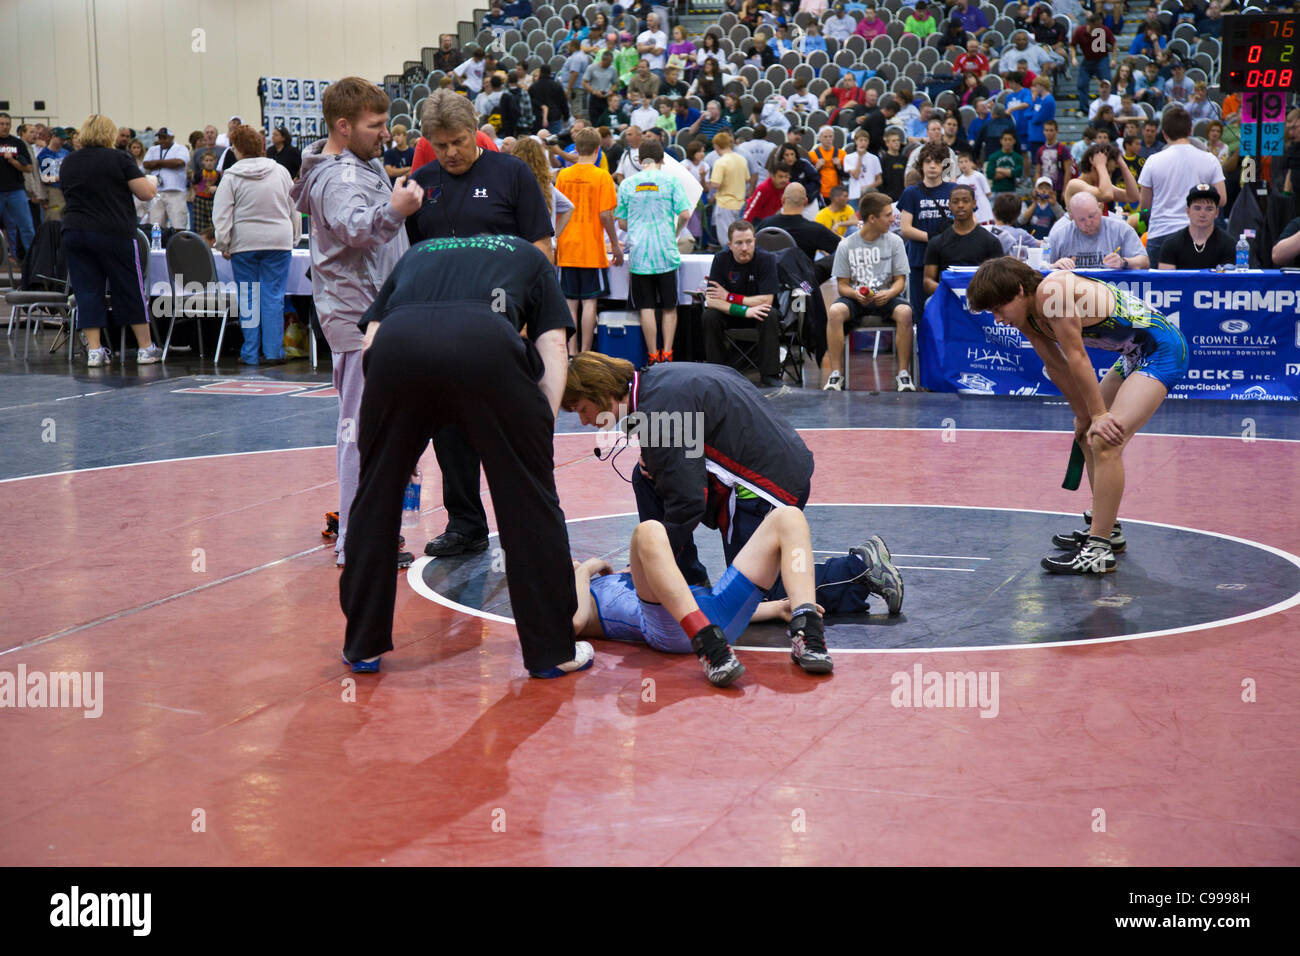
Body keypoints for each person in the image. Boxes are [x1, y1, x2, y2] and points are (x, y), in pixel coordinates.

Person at [343, 234, 590, 677]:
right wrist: (538, 435)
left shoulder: (420, 251)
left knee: (375, 495)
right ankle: (553, 651)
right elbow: (553, 344)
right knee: (528, 500)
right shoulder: (530, 255)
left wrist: (391, 434)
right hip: (485, 346)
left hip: (397, 349)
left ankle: (362, 644)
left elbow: (371, 339)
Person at [563, 351, 890, 617]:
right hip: (777, 464)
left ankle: (860, 568)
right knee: (645, 476)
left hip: (767, 486)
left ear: (603, 393)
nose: (584, 421)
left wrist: (652, 561)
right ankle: (687, 577)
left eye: (583, 409)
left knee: (751, 599)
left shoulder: (658, 412)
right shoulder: (656, 382)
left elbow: (690, 501)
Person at [403, 91, 554, 559]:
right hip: (442, 332)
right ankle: (466, 523)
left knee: (512, 433)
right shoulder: (420, 184)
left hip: (505, 328)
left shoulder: (512, 173)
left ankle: (529, 522)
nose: (451, 152)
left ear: (477, 133)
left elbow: (541, 247)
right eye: (441, 143)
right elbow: (414, 258)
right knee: (450, 435)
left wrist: (528, 320)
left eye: (460, 141)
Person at [967, 257, 1188, 575]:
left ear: (1018, 290)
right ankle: (1108, 529)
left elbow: (1076, 356)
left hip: (1162, 351)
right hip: (1132, 354)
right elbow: (1057, 367)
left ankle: (1099, 550)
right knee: (1088, 433)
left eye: (999, 309)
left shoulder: (1052, 292)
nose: (998, 319)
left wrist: (1098, 413)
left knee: (1105, 439)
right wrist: (1084, 415)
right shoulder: (1028, 317)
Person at [291, 77, 418, 569]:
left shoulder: (357, 167)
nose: (386, 132)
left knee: (376, 430)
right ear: (343, 126)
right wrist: (397, 209)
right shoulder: (341, 178)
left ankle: (371, 532)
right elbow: (356, 229)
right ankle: (359, 540)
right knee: (360, 432)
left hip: (373, 316)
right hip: (361, 320)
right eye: (376, 124)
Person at [572, 507, 882, 684]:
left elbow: (684, 596)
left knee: (788, 517)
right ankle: (706, 644)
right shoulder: (574, 591)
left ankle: (807, 628)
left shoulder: (597, 581)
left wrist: (774, 609)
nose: (570, 560)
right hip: (668, 629)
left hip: (717, 618)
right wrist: (584, 569)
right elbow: (573, 623)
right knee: (648, 530)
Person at [56, 114, 162, 367]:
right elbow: (146, 193)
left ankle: (95, 351)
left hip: (75, 231)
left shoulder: (69, 161)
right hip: (112, 232)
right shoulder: (119, 158)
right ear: (109, 134)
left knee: (87, 291)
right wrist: (152, 182)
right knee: (129, 287)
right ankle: (146, 348)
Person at [212, 124, 301, 367]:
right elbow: (294, 206)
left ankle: (250, 354)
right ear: (261, 147)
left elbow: (221, 214)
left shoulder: (230, 176)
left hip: (245, 243)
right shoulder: (280, 171)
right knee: (274, 296)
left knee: (249, 297)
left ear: (237, 149)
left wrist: (223, 243)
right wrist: (294, 237)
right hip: (278, 241)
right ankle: (274, 353)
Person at [824, 190, 913, 392]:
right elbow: (842, 285)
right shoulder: (846, 245)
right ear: (872, 218)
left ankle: (903, 374)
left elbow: (900, 281)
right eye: (888, 215)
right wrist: (855, 294)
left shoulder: (895, 242)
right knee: (835, 312)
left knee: (905, 312)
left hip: (886, 296)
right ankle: (836, 374)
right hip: (856, 299)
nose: (893, 219)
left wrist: (889, 294)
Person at [616, 138, 691, 365]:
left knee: (646, 307)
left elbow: (621, 223)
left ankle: (652, 355)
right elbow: (686, 214)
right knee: (669, 306)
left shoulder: (628, 184)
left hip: (640, 254)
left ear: (639, 160)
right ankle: (667, 353)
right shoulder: (671, 181)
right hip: (665, 251)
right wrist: (674, 231)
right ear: (662, 159)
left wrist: (638, 226)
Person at [555, 126, 623, 354]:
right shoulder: (602, 176)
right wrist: (614, 244)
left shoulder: (563, 175)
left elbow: (556, 209)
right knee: (589, 303)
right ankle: (585, 351)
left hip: (567, 246)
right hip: (591, 247)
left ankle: (570, 350)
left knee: (570, 303)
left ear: (576, 148)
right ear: (598, 150)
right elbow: (606, 214)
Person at [1138, 107, 1226, 266]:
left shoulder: (1152, 160)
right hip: (1199, 234)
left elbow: (1145, 205)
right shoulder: (1210, 159)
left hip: (1161, 232)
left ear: (1164, 134)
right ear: (1190, 130)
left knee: (1158, 290)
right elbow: (1222, 199)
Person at [702, 219, 783, 386]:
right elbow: (711, 300)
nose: (745, 248)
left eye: (749, 242)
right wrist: (744, 310)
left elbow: (767, 299)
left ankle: (770, 374)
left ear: (755, 241)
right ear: (730, 245)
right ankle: (718, 371)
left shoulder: (766, 259)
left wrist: (730, 297)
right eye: (739, 243)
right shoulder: (720, 259)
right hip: (734, 313)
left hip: (758, 312)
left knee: (769, 313)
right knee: (709, 316)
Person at [898, 143, 954, 314]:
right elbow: (905, 229)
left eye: (937, 162)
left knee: (949, 310)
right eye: (928, 161)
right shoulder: (911, 192)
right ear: (921, 165)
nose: (932, 166)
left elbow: (969, 222)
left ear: (944, 165)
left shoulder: (954, 190)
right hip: (919, 258)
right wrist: (932, 238)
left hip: (949, 258)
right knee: (921, 311)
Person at [923, 184, 1004, 296]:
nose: (960, 205)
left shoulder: (990, 241)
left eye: (965, 201)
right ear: (949, 205)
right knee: (928, 304)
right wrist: (951, 291)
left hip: (981, 300)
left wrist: (974, 293)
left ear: (974, 203)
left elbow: (999, 279)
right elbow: (928, 281)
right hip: (946, 298)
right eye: (955, 202)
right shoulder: (937, 242)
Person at [755, 182, 841, 285]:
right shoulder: (814, 229)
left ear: (782, 200)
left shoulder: (766, 224)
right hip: (802, 284)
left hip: (768, 279)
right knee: (840, 254)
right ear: (805, 202)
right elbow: (846, 247)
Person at [1047, 191, 1147, 270]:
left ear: (1100, 208)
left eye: (1092, 216)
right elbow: (1042, 266)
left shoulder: (1121, 229)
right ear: (1072, 217)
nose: (1088, 223)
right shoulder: (1060, 235)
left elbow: (1144, 261)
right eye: (1081, 219)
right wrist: (1054, 267)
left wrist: (1124, 262)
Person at [1155, 184, 1236, 270]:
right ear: (1188, 211)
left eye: (1209, 209)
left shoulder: (1228, 244)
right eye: (1197, 208)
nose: (1202, 214)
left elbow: (1230, 280)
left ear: (1216, 213)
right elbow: (1166, 280)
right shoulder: (1171, 243)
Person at [141, 128, 190, 230]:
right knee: (155, 225)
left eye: (165, 138)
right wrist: (167, 163)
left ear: (171, 138)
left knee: (178, 224)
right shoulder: (153, 149)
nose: (162, 140)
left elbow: (179, 162)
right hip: (156, 192)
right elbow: (146, 164)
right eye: (160, 138)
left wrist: (157, 163)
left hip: (175, 192)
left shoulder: (180, 148)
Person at [708, 130, 749, 245]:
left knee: (727, 241)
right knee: (740, 239)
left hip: (725, 204)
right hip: (740, 203)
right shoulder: (742, 159)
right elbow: (747, 178)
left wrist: (708, 182)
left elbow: (716, 184)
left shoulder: (720, 162)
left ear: (716, 146)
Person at [1070, 12, 1116, 112]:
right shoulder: (1080, 31)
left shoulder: (1104, 30)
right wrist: (1073, 57)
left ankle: (1111, 107)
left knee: (1107, 82)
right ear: (1091, 24)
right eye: (1098, 25)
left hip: (1102, 59)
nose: (1100, 26)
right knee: (1082, 84)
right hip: (1088, 60)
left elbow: (1114, 43)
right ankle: (1084, 109)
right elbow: (1073, 45)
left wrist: (1114, 59)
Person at [35, 127, 70, 221]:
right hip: (53, 190)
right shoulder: (44, 155)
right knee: (55, 216)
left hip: (66, 189)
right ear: (53, 137)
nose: (63, 142)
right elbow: (43, 178)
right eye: (61, 139)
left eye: (64, 140)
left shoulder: (66, 153)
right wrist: (57, 178)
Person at [954, 149, 993, 224]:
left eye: (966, 161)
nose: (963, 164)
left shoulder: (979, 176)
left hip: (984, 210)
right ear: (958, 165)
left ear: (971, 163)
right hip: (971, 212)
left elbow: (988, 193)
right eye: (961, 162)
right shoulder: (959, 181)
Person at [843, 129, 883, 202]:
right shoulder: (848, 157)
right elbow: (856, 175)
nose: (863, 143)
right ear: (856, 141)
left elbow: (879, 180)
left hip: (870, 194)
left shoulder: (874, 158)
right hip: (855, 195)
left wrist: (867, 188)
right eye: (861, 140)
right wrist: (860, 157)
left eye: (865, 140)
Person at [190, 149, 221, 234]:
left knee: (211, 222)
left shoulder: (217, 174)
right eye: (207, 160)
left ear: (215, 161)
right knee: (199, 223)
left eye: (211, 160)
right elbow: (193, 183)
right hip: (200, 199)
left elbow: (220, 186)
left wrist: (216, 188)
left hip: (211, 200)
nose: (209, 163)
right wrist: (193, 194)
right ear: (203, 162)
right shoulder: (200, 173)